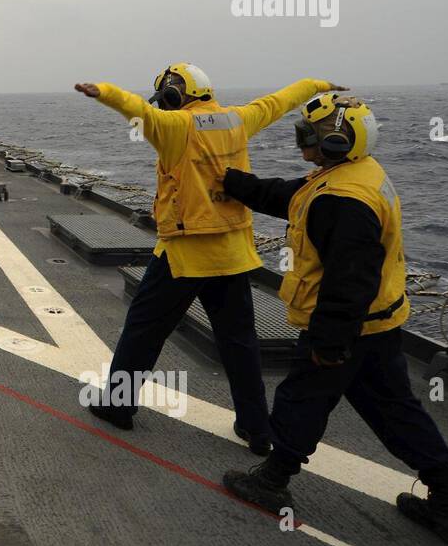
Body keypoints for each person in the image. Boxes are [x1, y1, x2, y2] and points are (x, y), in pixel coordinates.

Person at [220, 93, 448, 546]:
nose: (303, 140)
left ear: (336, 141)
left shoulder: (342, 201)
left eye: (310, 135)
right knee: (398, 410)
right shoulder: (356, 175)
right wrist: (235, 182)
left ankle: (274, 481)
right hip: (379, 325)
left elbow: (349, 279)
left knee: (302, 399)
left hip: (346, 328)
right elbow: (293, 196)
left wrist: (329, 341)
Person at [73, 66, 340, 454]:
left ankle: (117, 405)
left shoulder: (174, 126)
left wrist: (104, 91)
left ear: (174, 94)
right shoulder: (238, 119)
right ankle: (255, 427)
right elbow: (279, 102)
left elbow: (138, 111)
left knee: (143, 332)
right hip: (232, 253)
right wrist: (318, 85)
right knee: (239, 343)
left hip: (184, 253)